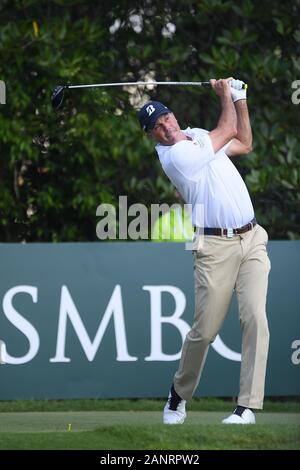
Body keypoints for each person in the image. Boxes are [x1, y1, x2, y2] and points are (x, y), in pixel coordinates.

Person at [137, 78, 271, 425]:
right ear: (152, 135)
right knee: (205, 330)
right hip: (214, 247)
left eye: (165, 117)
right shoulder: (176, 156)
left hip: (252, 237)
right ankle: (178, 396)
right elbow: (227, 129)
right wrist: (225, 92)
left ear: (173, 114)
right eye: (157, 126)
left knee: (255, 317)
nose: (166, 125)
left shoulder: (196, 135)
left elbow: (243, 142)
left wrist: (241, 98)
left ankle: (246, 407)